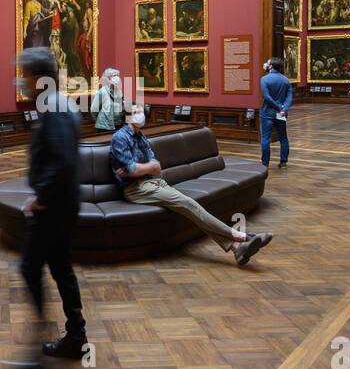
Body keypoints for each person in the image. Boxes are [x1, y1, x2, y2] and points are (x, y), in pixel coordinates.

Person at [113, 104, 272, 265]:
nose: (141, 115)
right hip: (137, 189)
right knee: (189, 204)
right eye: (136, 112)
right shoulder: (120, 137)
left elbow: (157, 167)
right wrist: (144, 168)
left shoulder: (141, 136)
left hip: (155, 182)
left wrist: (143, 168)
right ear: (127, 116)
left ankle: (237, 248)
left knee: (190, 208)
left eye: (141, 112)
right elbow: (133, 170)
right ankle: (242, 236)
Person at [15, 46, 86, 362]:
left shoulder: (54, 107)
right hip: (62, 202)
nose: (22, 81)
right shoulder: (60, 103)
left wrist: (41, 198)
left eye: (25, 75)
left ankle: (43, 335)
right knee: (60, 267)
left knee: (30, 266)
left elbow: (62, 161)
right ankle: (76, 336)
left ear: (38, 77)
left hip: (54, 207)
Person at [260, 57, 292, 168]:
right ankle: (283, 162)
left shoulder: (264, 79)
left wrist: (278, 108)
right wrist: (284, 109)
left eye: (268, 63)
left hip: (267, 113)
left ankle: (265, 163)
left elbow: (267, 97)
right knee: (283, 137)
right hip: (281, 114)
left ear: (271, 66)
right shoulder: (285, 80)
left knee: (265, 138)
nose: (266, 65)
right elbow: (289, 96)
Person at [92, 67, 124, 132]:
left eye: (118, 75)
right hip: (104, 126)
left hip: (118, 124)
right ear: (108, 78)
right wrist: (99, 120)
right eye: (114, 75)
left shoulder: (119, 91)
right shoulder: (102, 91)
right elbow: (94, 109)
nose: (117, 77)